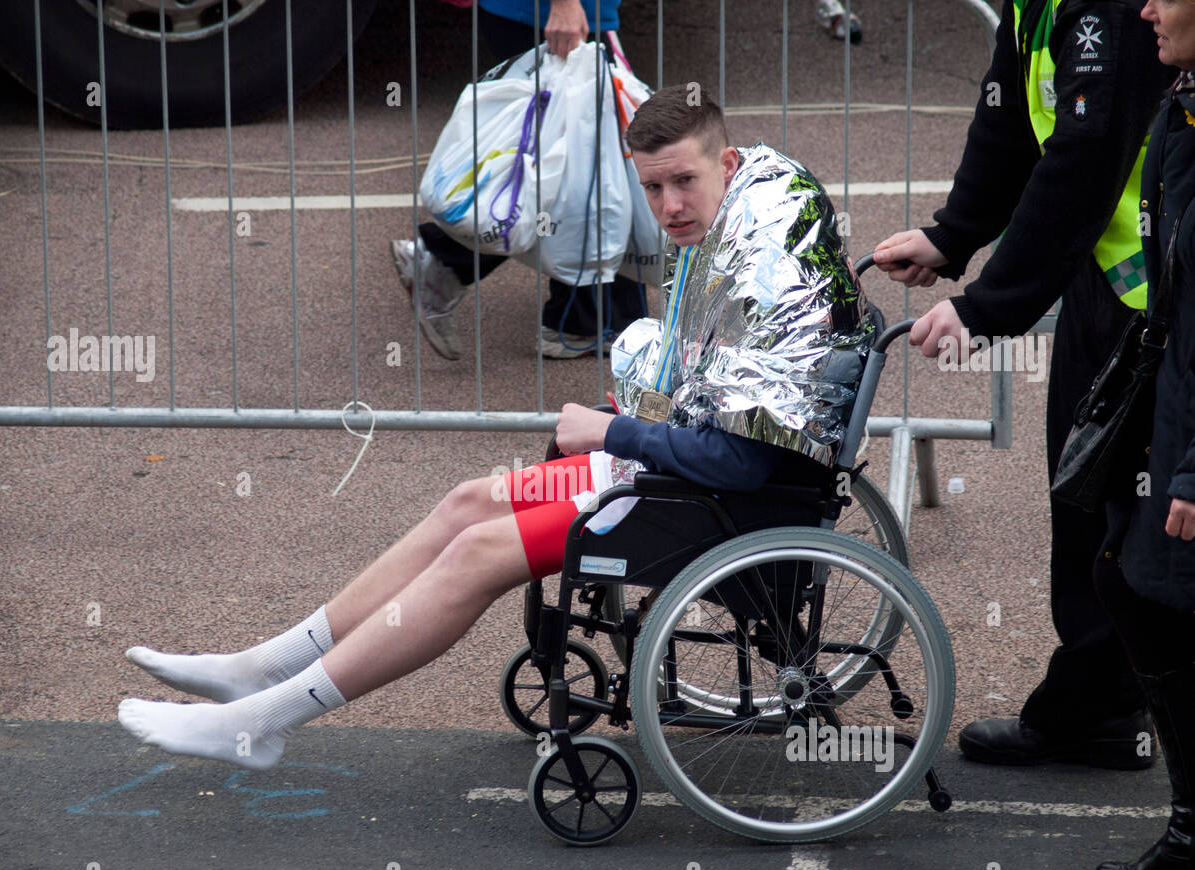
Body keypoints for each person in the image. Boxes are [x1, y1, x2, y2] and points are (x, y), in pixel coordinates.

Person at [117, 87, 873, 769]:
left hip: (718, 502)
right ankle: (260, 668)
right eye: (651, 187)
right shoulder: (745, 214)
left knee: (478, 552)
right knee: (466, 503)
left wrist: (609, 434)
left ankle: (265, 721)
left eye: (684, 181)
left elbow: (739, 463)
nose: (669, 204)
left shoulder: (755, 248)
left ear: (729, 162)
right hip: (682, 476)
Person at [873, 0, 1173, 771]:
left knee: (1130, 516)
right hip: (1110, 281)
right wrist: (955, 232)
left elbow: (1084, 152)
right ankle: (1105, 705)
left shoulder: (1111, 10)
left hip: (1160, 296)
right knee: (1086, 503)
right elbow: (1007, 110)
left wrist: (987, 306)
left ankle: (1098, 707)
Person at [392, 0, 647, 360]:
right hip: (554, 14)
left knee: (581, 160)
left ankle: (593, 319)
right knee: (578, 163)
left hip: (554, 12)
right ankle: (444, 261)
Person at [1094, 0, 1195, 870]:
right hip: (1171, 404)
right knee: (1124, 575)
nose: (1146, 8)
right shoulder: (1181, 104)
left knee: (1150, 588)